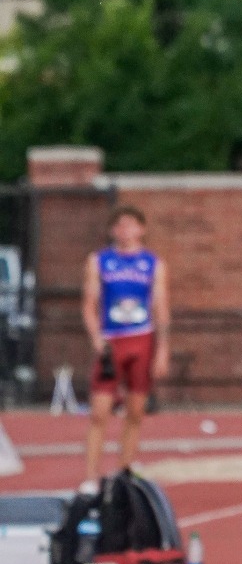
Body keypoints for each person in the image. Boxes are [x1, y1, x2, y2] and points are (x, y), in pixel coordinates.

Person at [81, 205, 170, 487]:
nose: (126, 231)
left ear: (142, 229)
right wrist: (96, 338)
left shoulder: (153, 264)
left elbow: (161, 307)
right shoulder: (100, 261)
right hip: (111, 340)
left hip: (141, 339)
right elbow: (89, 304)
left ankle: (124, 470)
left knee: (135, 410)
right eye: (120, 226)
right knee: (100, 412)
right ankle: (91, 476)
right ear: (112, 230)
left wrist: (163, 349)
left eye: (131, 225)